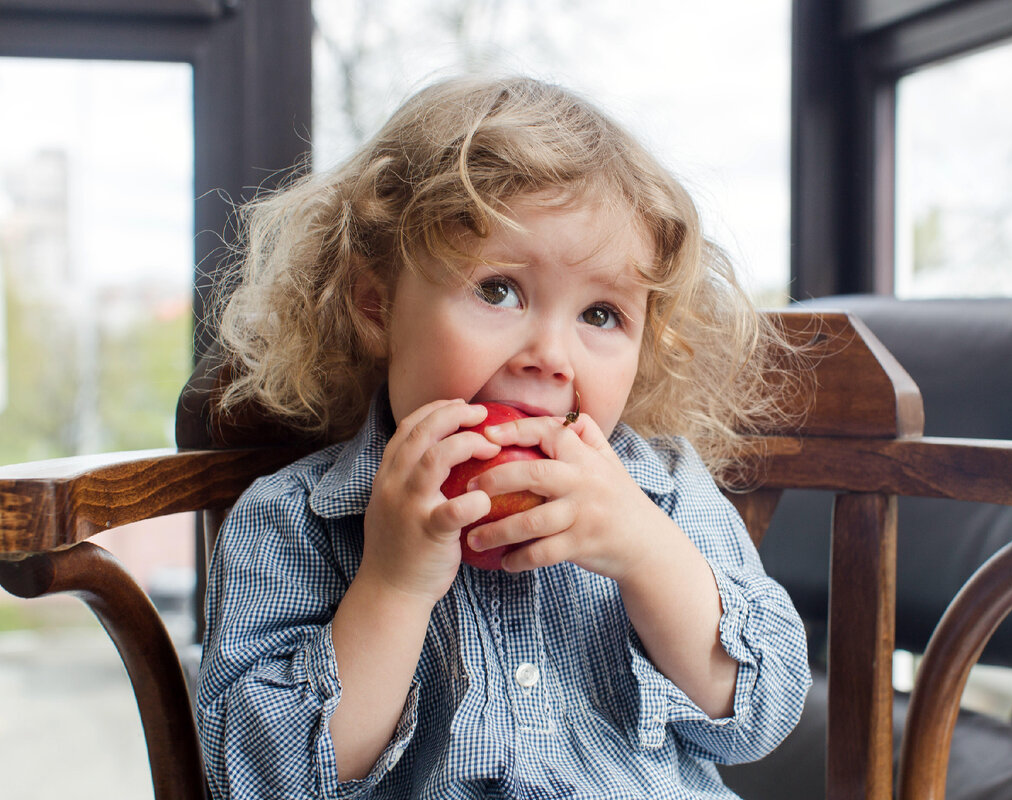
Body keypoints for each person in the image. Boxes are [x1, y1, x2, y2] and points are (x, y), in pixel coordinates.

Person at [197, 75, 812, 799]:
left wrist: (646, 552)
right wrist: (392, 585)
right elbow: (262, 779)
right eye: (498, 290)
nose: (550, 355)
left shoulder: (664, 490)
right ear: (376, 305)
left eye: (602, 315)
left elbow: (759, 715)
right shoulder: (294, 518)